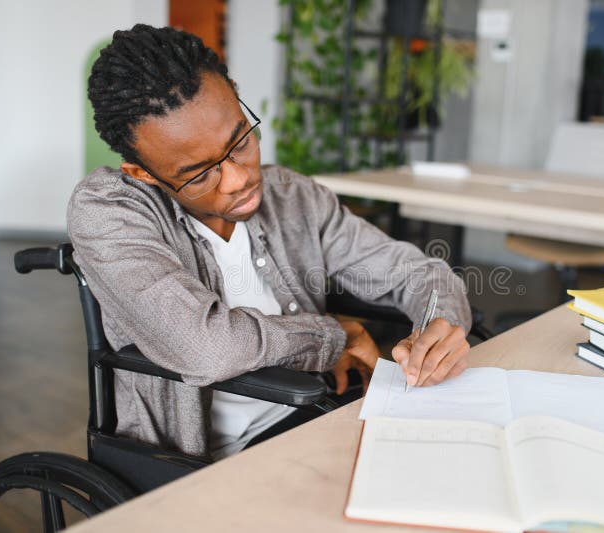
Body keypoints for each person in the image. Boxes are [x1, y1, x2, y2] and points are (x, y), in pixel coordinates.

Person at [69, 24, 471, 459]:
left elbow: (420, 273)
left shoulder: (292, 196)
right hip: (200, 462)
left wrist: (439, 327)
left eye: (240, 140)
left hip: (312, 415)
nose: (240, 179)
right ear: (144, 173)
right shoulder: (109, 211)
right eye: (200, 174)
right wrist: (333, 336)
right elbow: (207, 349)